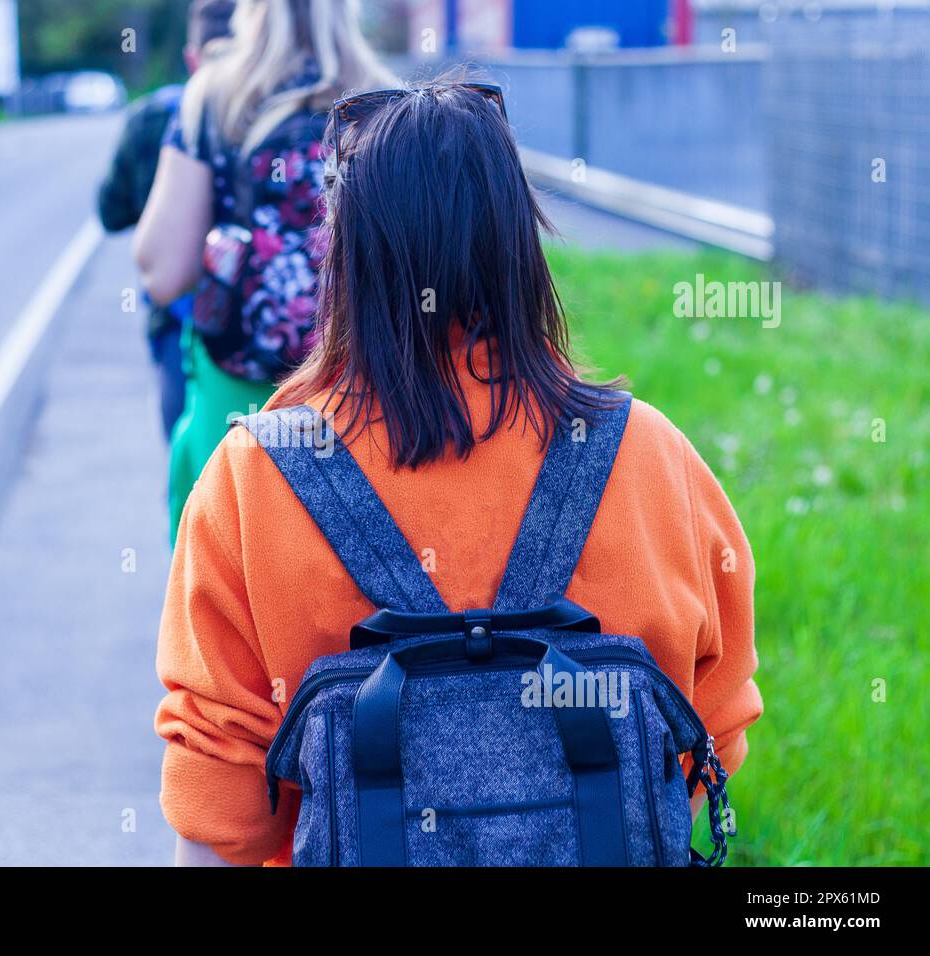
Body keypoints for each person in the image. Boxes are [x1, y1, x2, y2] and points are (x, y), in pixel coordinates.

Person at [154, 82, 763, 866]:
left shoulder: (252, 482)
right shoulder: (651, 459)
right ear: (521, 245)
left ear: (344, 252)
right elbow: (710, 732)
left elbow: (223, 816)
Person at [133, 0, 396, 541]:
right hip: (365, 388)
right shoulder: (385, 100)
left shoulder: (213, 97)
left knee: (232, 561)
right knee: (360, 566)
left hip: (241, 388)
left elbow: (163, 271)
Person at [97, 0, 236, 440]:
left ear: (192, 57)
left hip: (179, 323)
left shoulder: (155, 118)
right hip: (270, 340)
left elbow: (111, 212)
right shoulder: (295, 113)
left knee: (190, 471)